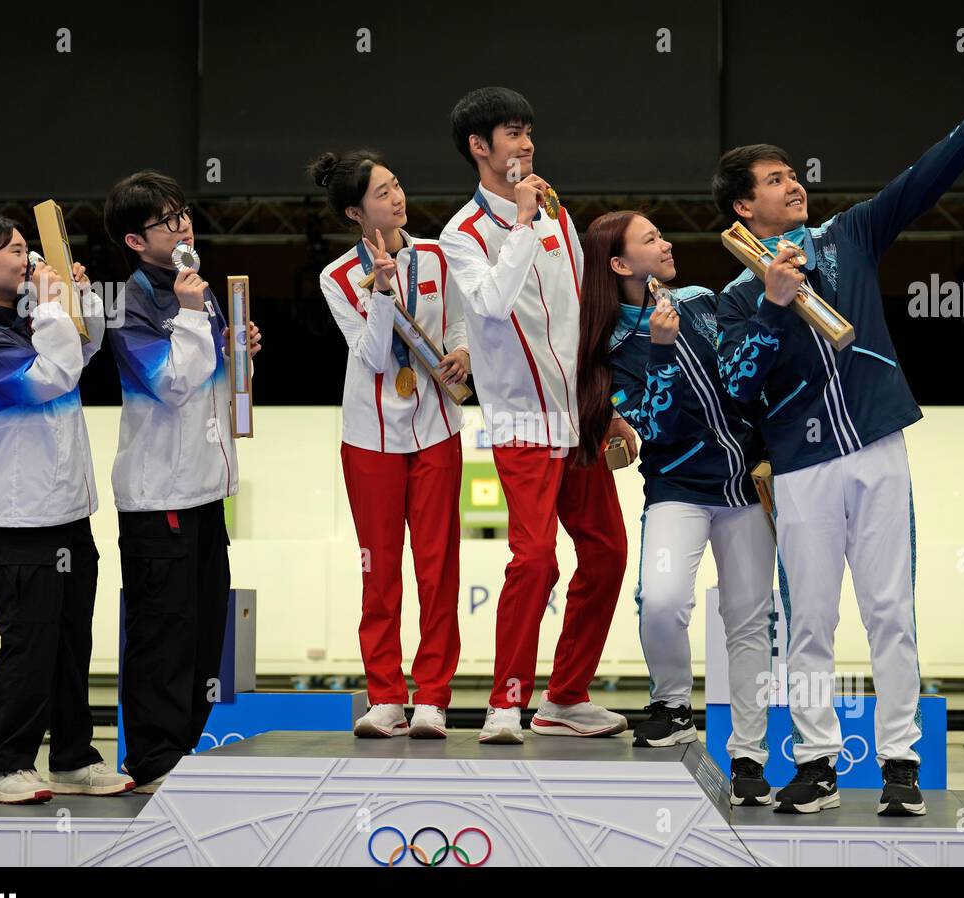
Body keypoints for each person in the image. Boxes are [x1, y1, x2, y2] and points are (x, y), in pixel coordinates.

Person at [712, 45, 964, 815]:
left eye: (792, 174)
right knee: (808, 619)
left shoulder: (847, 237)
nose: (795, 184)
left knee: (889, 609)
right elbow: (740, 386)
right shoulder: (736, 298)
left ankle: (902, 763)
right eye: (776, 181)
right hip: (804, 467)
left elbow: (921, 183)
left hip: (879, 447)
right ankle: (814, 762)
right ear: (744, 207)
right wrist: (777, 305)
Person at [439, 86, 632, 743]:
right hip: (522, 423)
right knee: (536, 561)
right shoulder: (459, 235)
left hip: (577, 415)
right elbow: (491, 305)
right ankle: (505, 702)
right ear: (479, 148)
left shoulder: (555, 211)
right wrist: (522, 223)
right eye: (512, 134)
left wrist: (607, 407)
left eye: (528, 133)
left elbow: (581, 309)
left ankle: (566, 698)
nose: (525, 145)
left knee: (607, 554)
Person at [578, 210, 775, 805]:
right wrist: (661, 351)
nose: (666, 244)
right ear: (619, 265)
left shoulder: (701, 300)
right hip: (676, 488)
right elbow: (656, 427)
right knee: (661, 601)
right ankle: (671, 704)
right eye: (650, 239)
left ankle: (749, 757)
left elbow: (746, 382)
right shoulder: (610, 346)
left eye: (661, 235)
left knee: (748, 623)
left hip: (744, 490)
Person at [0, 211, 131, 803]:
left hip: (68, 511)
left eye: (29, 248)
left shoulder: (28, 316)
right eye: (16, 250)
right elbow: (52, 376)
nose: (28, 259)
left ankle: (74, 758)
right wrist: (53, 306)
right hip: (19, 520)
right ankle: (6, 767)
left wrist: (75, 300)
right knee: (29, 641)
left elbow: (85, 348)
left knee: (73, 640)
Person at [102, 170, 261, 792]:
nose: (183, 225)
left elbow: (206, 378)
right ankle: (151, 760)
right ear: (136, 241)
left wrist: (233, 345)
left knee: (200, 630)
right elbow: (168, 383)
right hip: (157, 494)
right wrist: (197, 320)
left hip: (204, 489)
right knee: (162, 630)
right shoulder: (132, 300)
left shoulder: (193, 288)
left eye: (183, 212)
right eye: (166, 221)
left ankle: (183, 753)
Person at [311, 149, 470, 738]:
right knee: (379, 571)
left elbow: (457, 324)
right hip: (370, 440)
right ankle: (385, 695)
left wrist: (464, 353)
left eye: (397, 186)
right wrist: (380, 292)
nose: (397, 198)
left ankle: (432, 696)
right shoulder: (336, 277)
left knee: (438, 568)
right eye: (382, 193)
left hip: (436, 433)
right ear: (356, 211)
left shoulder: (436, 256)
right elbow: (376, 357)